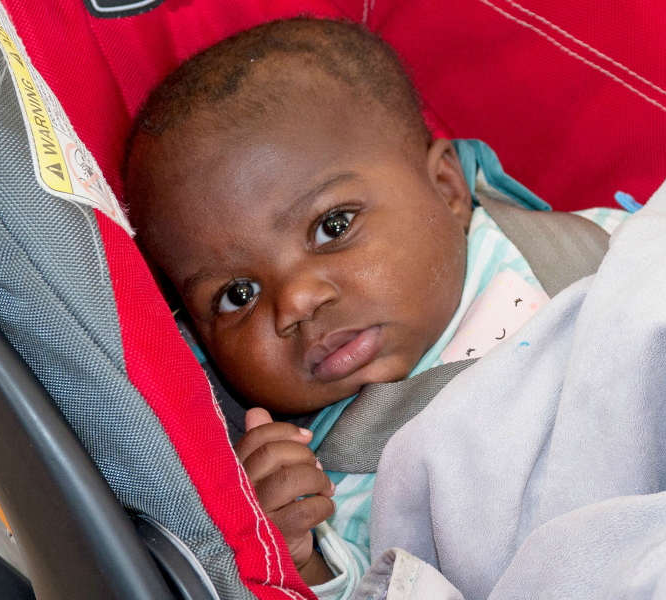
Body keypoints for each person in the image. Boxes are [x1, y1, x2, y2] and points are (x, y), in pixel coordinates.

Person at [123, 17, 626, 597]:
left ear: (447, 189)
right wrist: (301, 558)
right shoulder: (333, 482)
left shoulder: (594, 246)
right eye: (238, 295)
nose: (297, 302)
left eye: (332, 227)